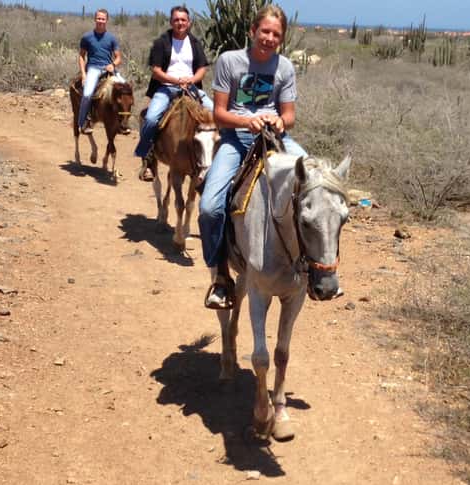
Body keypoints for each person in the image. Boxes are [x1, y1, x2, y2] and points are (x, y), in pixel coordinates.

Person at [198, 4, 306, 309]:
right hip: (236, 138)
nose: (269, 38)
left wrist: (280, 122)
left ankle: (315, 265)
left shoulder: (284, 68)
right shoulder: (230, 61)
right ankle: (220, 276)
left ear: (281, 39)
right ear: (252, 31)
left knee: (315, 182)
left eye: (276, 34)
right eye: (265, 31)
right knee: (209, 207)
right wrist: (247, 121)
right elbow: (219, 114)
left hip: (274, 138)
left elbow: (289, 115)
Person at [134, 5, 214, 181]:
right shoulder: (161, 42)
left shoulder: (194, 43)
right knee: (151, 117)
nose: (180, 23)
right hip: (166, 87)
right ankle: (147, 159)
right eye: (176, 19)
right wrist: (175, 81)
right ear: (171, 22)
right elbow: (156, 71)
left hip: (191, 87)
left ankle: (217, 160)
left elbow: (202, 69)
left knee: (216, 114)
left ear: (189, 22)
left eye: (183, 20)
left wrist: (191, 81)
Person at [76, 9, 122, 136]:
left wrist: (113, 65)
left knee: (125, 90)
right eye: (99, 18)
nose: (101, 21)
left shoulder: (111, 38)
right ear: (95, 19)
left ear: (107, 20)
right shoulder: (87, 37)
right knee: (87, 94)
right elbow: (81, 56)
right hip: (93, 69)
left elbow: (118, 58)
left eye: (103, 19)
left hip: (108, 68)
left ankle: (122, 123)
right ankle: (83, 123)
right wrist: (84, 74)